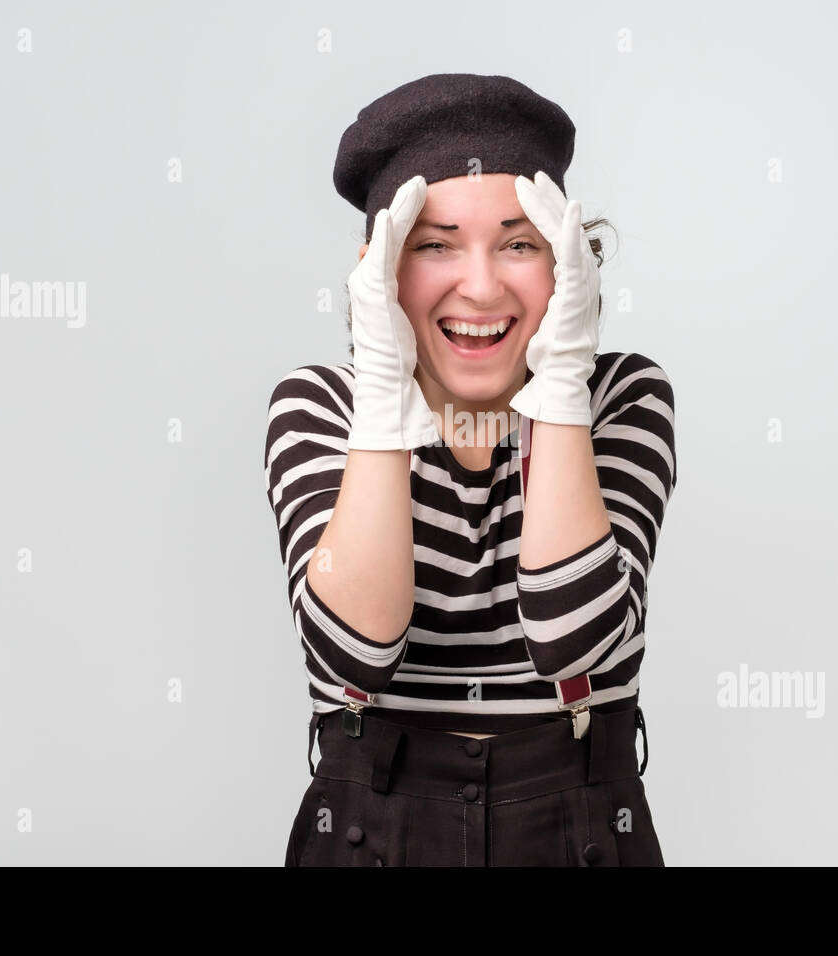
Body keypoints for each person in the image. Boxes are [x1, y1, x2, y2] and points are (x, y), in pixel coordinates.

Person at [265, 74, 677, 866]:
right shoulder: (322, 406)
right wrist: (382, 392)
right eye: (434, 244)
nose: (482, 287)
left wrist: (563, 378)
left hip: (582, 835)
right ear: (381, 273)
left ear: (567, 263)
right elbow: (354, 656)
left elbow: (570, 640)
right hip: (371, 833)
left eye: (520, 244)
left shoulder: (621, 397)